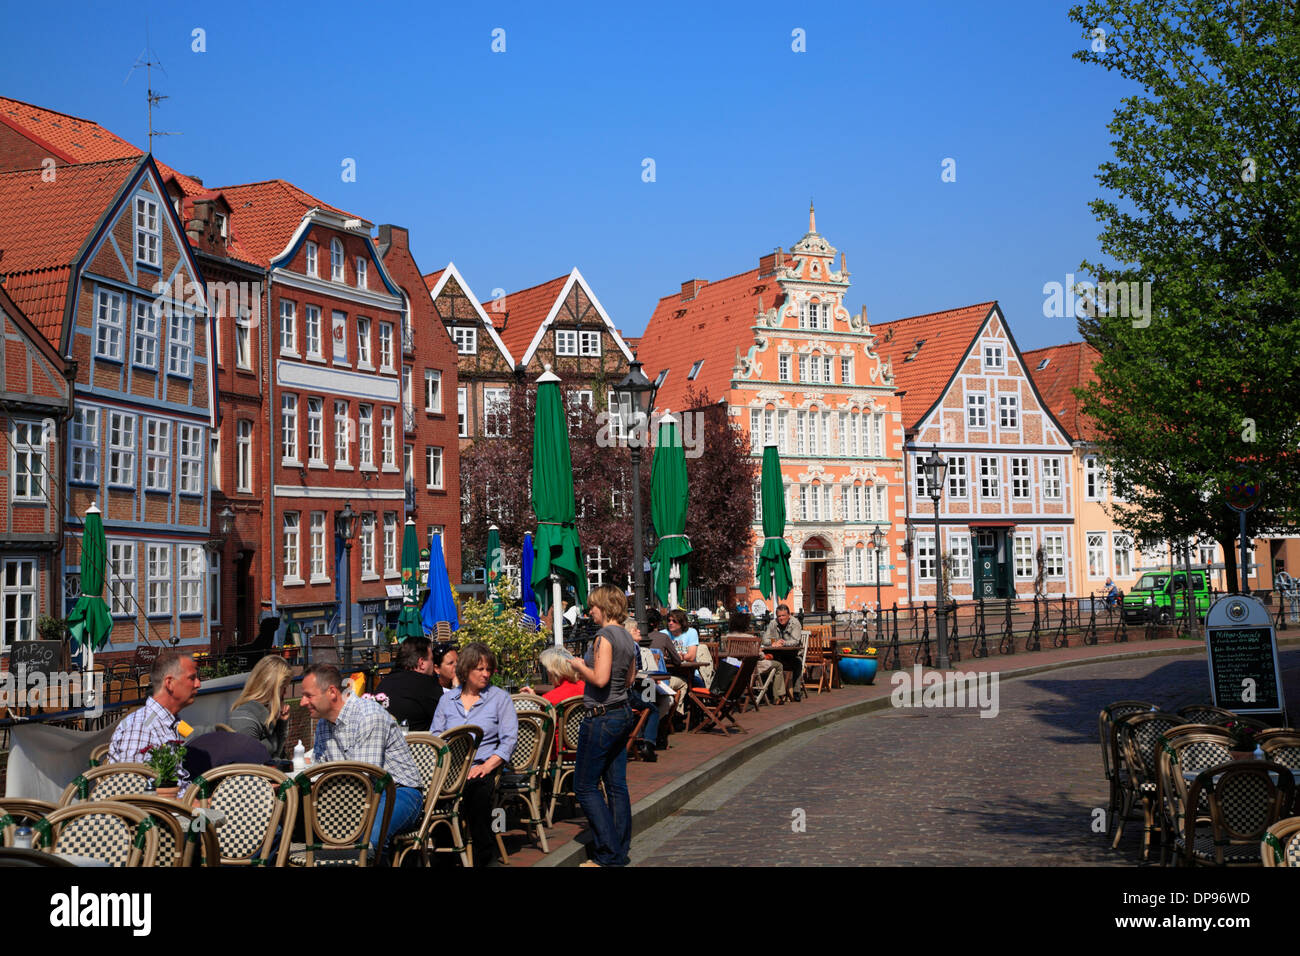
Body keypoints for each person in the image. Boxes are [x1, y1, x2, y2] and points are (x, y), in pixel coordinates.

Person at [301, 663, 423, 860]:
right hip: (352, 795)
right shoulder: (323, 724)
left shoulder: (368, 716)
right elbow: (319, 772)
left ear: (332, 692)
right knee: (305, 834)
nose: (302, 702)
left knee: (368, 840)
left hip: (399, 791)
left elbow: (365, 778)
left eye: (308, 695)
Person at [568, 584, 638, 867]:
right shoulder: (627, 637)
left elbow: (599, 679)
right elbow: (630, 679)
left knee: (584, 786)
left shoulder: (604, 636)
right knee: (617, 785)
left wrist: (577, 665)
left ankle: (607, 854)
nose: (590, 611)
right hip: (622, 711)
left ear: (605, 608)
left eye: (593, 606)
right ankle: (619, 850)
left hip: (602, 715)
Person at [430, 642, 518, 867]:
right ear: (466, 670)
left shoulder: (499, 698)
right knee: (432, 800)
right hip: (451, 769)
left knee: (478, 796)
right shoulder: (447, 701)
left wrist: (487, 766)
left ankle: (484, 858)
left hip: (483, 766)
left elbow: (509, 740)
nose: (486, 674)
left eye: (489, 669)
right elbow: (436, 736)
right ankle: (444, 856)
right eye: (480, 669)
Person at [109, 652, 201, 794]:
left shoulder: (168, 721)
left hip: (178, 806)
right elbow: (132, 793)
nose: (198, 684)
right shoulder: (142, 726)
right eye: (192, 678)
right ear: (169, 683)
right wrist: (190, 805)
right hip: (164, 813)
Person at [227, 655, 291, 758]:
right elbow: (248, 765)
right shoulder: (245, 719)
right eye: (284, 688)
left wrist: (281, 724)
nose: (285, 693)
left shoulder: (264, 715)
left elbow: (276, 757)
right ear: (273, 688)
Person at [380, 637, 444, 731]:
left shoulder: (384, 682)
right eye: (431, 659)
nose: (433, 664)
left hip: (382, 741)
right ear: (421, 663)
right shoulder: (427, 684)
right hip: (416, 743)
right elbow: (447, 717)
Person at [761, 603, 806, 701]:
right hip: (777, 653)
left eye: (783, 615)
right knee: (768, 662)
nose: (781, 618)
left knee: (798, 662)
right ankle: (769, 692)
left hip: (792, 654)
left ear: (789, 615)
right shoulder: (773, 623)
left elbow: (795, 641)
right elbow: (765, 639)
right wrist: (773, 643)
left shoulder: (795, 623)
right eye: (779, 616)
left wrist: (783, 643)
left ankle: (796, 691)